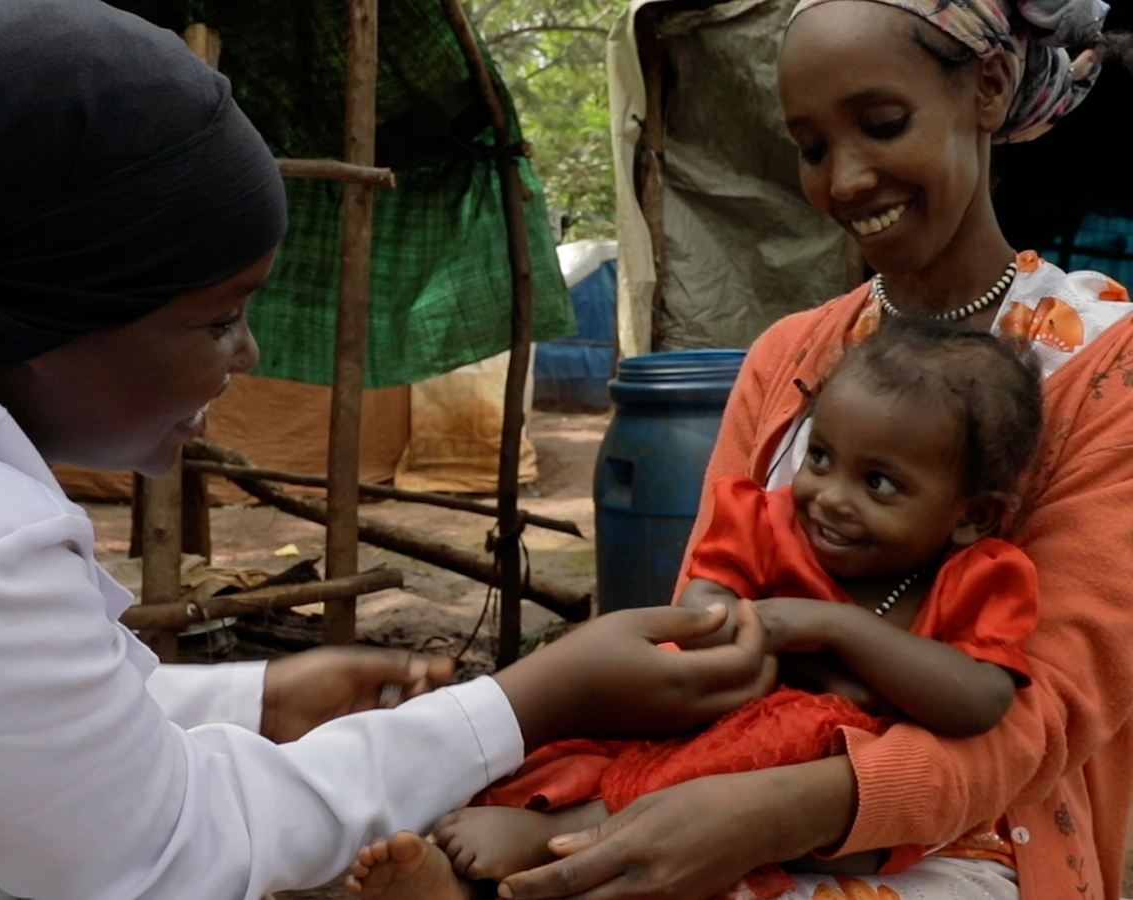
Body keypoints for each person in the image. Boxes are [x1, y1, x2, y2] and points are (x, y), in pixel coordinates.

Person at [0, 2, 781, 898]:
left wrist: (258, 702)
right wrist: (527, 701)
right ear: (46, 307)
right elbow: (173, 849)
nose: (249, 353)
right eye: (220, 318)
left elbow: (28, 735)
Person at [466, 2, 1133, 900]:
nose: (844, 179)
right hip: (729, 773)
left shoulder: (1102, 368)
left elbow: (1037, 717)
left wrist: (781, 809)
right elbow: (700, 622)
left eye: (881, 124)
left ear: (987, 87)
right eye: (810, 146)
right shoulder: (790, 358)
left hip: (980, 842)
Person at [343, 317, 1044, 900]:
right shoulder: (766, 523)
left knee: (815, 723)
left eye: (880, 482)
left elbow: (980, 701)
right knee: (583, 732)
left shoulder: (978, 579)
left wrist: (832, 627)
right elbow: (703, 609)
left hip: (833, 821)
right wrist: (770, 644)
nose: (830, 495)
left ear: (971, 516)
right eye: (822, 457)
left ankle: (570, 834)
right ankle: (470, 867)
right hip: (697, 743)